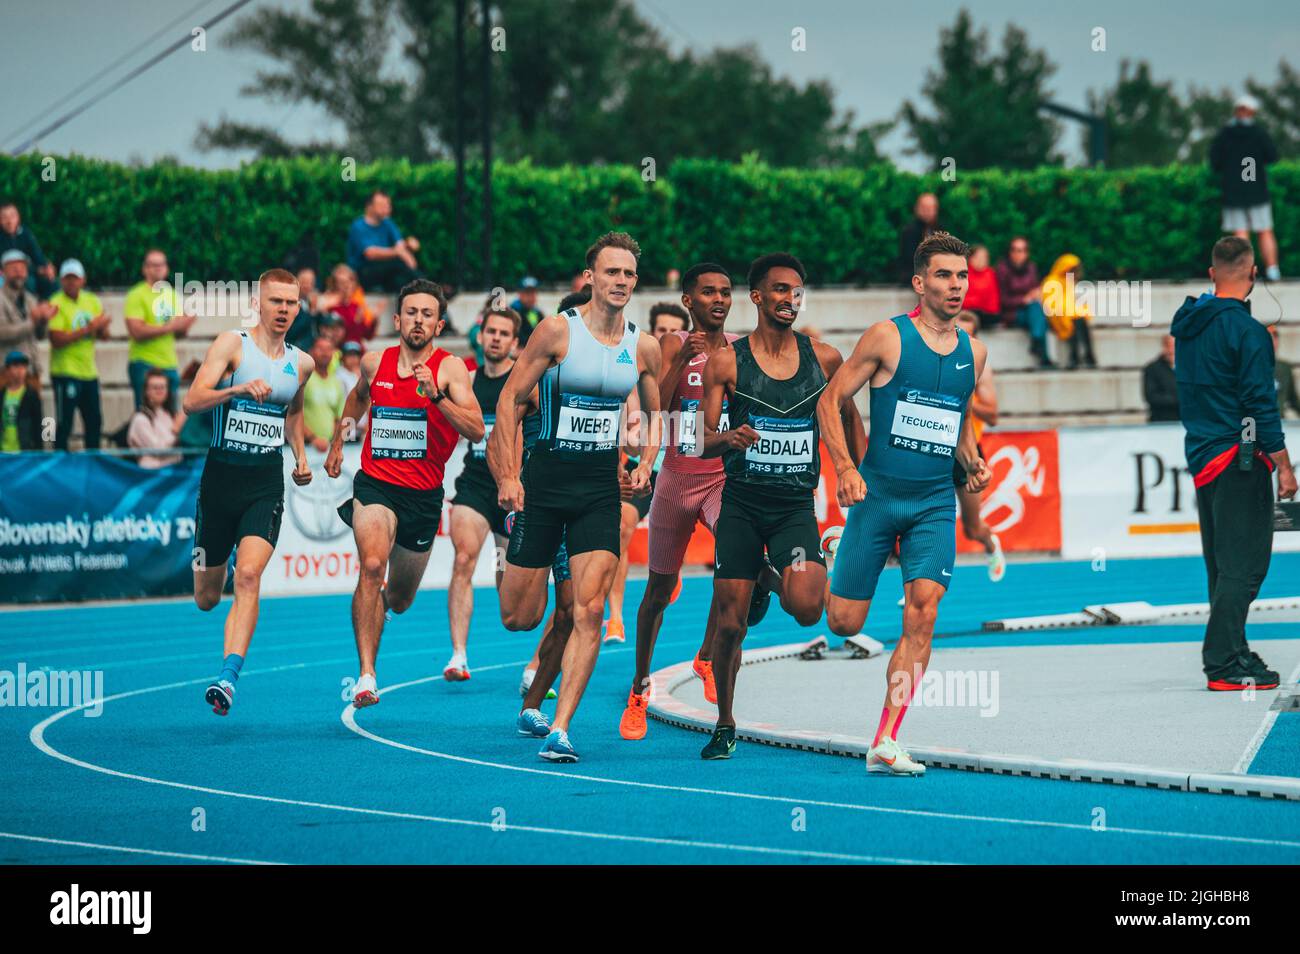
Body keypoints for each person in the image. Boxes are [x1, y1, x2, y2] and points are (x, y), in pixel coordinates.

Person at [818, 232, 991, 776]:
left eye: (962, 276)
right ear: (920, 283)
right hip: (877, 493)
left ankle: (886, 739)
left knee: (924, 612)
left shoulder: (975, 352)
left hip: (935, 501)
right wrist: (845, 468)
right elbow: (831, 399)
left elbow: (957, 422)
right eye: (944, 275)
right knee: (843, 622)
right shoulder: (886, 338)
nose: (956, 285)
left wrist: (972, 460)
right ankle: (836, 548)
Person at [490, 231, 661, 763]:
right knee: (520, 615)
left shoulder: (643, 346)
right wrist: (509, 475)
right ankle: (522, 572)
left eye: (629, 274)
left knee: (587, 610)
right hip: (543, 485)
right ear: (591, 277)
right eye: (612, 272)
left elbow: (658, 417)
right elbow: (510, 399)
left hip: (597, 492)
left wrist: (647, 462)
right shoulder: (558, 332)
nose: (621, 282)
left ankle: (561, 728)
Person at [697, 252, 866, 760]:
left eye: (796, 292)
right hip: (743, 507)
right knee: (730, 624)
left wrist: (857, 473)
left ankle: (767, 580)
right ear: (756, 297)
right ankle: (725, 722)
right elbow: (700, 441)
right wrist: (729, 438)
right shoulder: (726, 361)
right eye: (779, 290)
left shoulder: (827, 359)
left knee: (808, 608)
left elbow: (849, 419)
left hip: (794, 509)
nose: (790, 299)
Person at [325, 279, 483, 708]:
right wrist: (340, 440)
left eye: (427, 314)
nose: (418, 320)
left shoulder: (451, 370)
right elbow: (357, 401)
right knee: (372, 566)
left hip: (424, 496)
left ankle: (383, 614)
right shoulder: (375, 363)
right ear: (397, 319)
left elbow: (475, 429)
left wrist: (437, 399)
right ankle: (366, 675)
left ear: (439, 324)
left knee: (399, 597)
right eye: (411, 312)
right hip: (376, 485)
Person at [182, 269, 315, 716]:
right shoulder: (231, 344)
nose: (283, 310)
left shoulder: (303, 363)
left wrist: (299, 455)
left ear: (299, 308)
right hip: (220, 480)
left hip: (265, 481)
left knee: (250, 577)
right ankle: (224, 557)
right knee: (205, 597)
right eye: (275, 301)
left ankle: (228, 678)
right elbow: (192, 400)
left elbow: (293, 412)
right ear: (258, 303)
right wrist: (236, 388)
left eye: (290, 303)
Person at [619, 263, 739, 741]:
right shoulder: (672, 345)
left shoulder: (739, 351)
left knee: (733, 571)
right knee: (657, 593)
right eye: (707, 292)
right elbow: (657, 407)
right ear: (688, 301)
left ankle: (707, 657)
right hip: (674, 478)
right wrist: (679, 361)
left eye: (725, 292)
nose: (718, 299)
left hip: (719, 479)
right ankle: (638, 688)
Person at [1171, 236, 1296, 691]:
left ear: (1211, 274)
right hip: (1239, 460)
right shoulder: (1248, 332)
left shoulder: (1186, 325)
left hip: (1204, 455)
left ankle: (1235, 649)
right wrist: (1284, 465)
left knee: (1222, 566)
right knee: (1245, 567)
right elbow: (1261, 404)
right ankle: (1223, 662)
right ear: (1254, 274)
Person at [445, 307, 521, 681]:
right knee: (463, 558)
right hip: (473, 486)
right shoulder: (468, 381)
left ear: (514, 342)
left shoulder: (522, 383)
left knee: (504, 570)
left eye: (503, 333)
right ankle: (458, 654)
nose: (495, 338)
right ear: (481, 335)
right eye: (490, 331)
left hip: (510, 491)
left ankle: (530, 661)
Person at [952, 311, 1005, 581]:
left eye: (968, 334)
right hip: (933, 446)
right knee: (924, 521)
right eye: (958, 332)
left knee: (971, 528)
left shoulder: (979, 366)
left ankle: (990, 543)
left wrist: (964, 393)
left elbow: (993, 415)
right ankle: (917, 581)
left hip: (967, 451)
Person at [1210, 95, 1282, 282]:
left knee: (1241, 233)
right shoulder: (1259, 133)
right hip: (1257, 190)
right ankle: (1273, 270)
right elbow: (1272, 156)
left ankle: (1245, 272)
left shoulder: (1225, 134)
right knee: (1265, 230)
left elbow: (1215, 162)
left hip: (1234, 192)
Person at [47, 259, 109, 450]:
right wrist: (89, 327)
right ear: (61, 280)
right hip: (65, 371)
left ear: (83, 280)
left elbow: (104, 336)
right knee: (64, 422)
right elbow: (56, 339)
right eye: (67, 279)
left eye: (75, 278)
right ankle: (60, 464)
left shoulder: (91, 301)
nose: (71, 282)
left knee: (94, 421)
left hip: (89, 371)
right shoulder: (55, 302)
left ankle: (93, 463)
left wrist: (102, 327)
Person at [123, 249, 196, 407]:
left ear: (167, 268)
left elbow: (178, 334)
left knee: (169, 418)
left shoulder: (172, 294)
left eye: (161, 264)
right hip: (144, 364)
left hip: (169, 364)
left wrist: (186, 323)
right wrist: (171, 326)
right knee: (146, 414)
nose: (158, 268)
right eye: (153, 264)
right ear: (144, 269)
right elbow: (136, 331)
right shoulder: (136, 294)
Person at [346, 190, 421, 292]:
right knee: (398, 264)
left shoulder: (388, 223)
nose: (387, 208)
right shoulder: (358, 226)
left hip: (385, 271)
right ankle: (428, 289)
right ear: (369, 206)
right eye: (382, 205)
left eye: (388, 205)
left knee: (400, 280)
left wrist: (408, 245)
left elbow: (400, 245)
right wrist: (400, 253)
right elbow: (370, 254)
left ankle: (423, 295)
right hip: (363, 272)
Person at [995, 237, 1052, 368]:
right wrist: (1023, 300)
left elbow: (1034, 288)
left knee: (1036, 308)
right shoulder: (1002, 269)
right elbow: (1002, 300)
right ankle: (1041, 350)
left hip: (1030, 310)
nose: (1018, 254)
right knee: (1038, 314)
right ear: (1010, 252)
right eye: (1015, 250)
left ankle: (1039, 345)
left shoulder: (1031, 268)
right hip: (1011, 313)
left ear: (1027, 253)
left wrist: (1037, 293)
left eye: (1022, 250)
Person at [0, 250, 54, 378]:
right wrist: (32, 322)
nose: (19, 272)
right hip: (7, 372)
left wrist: (43, 320)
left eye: (22, 268)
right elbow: (2, 332)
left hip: (31, 370)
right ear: (3, 272)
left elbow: (41, 336)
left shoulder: (31, 299)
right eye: (13, 268)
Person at [1042, 253, 1096, 369]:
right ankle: (1078, 355)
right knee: (1075, 319)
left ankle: (1085, 355)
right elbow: (1051, 304)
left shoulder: (1070, 282)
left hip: (1068, 314)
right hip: (1055, 316)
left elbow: (1070, 301)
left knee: (1079, 319)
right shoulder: (1051, 281)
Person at [127, 368, 185, 468]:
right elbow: (157, 450)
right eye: (155, 387)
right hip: (152, 474)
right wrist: (176, 432)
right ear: (146, 391)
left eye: (163, 387)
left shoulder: (170, 415)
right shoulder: (140, 418)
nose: (160, 391)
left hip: (174, 471)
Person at [0, 201, 56, 299]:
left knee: (52, 283)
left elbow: (38, 255)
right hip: (6, 276)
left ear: (18, 217)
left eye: (12, 216)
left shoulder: (26, 234)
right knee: (28, 283)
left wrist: (47, 267)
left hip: (27, 272)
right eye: (4, 217)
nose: (9, 221)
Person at [302, 335, 348, 453]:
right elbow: (292, 414)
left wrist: (334, 441)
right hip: (304, 446)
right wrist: (313, 438)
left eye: (329, 349)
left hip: (328, 448)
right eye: (320, 349)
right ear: (311, 351)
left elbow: (339, 417)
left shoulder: (337, 382)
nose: (325, 353)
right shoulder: (303, 378)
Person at [320, 264, 377, 345]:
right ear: (335, 285)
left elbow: (367, 336)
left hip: (356, 350)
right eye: (342, 282)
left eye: (350, 281)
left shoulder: (356, 305)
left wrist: (374, 320)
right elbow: (332, 335)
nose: (346, 286)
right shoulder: (329, 305)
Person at [896, 193, 940, 286]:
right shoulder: (909, 231)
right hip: (914, 274)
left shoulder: (940, 229)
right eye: (924, 207)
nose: (928, 211)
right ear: (917, 209)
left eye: (931, 208)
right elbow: (910, 258)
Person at [2, 351, 42, 451]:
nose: (20, 370)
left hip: (24, 452)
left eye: (23, 366)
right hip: (3, 453)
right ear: (7, 370)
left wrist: (38, 449)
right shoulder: (2, 395)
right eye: (15, 365)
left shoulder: (31, 395)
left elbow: (38, 424)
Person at [1143, 334, 1180, 423]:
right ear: (1164, 348)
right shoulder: (1152, 369)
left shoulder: (1190, 367)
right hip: (1162, 421)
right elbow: (1151, 397)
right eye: (1170, 347)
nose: (1173, 350)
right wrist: (1180, 399)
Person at [962, 245, 1000, 329]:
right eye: (977, 257)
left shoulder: (990, 273)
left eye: (984, 258)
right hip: (968, 311)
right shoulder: (964, 273)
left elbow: (994, 298)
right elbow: (961, 298)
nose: (981, 261)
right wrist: (976, 301)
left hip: (986, 313)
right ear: (970, 258)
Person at [1269, 325, 1300, 419]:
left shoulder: (1285, 368)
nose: (1272, 342)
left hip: (1280, 421)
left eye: (1274, 338)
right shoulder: (1252, 367)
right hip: (1259, 423)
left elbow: (1293, 399)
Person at [510, 277, 546, 349]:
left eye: (533, 292)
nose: (531, 297)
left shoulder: (537, 313)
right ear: (520, 294)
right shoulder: (513, 313)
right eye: (527, 293)